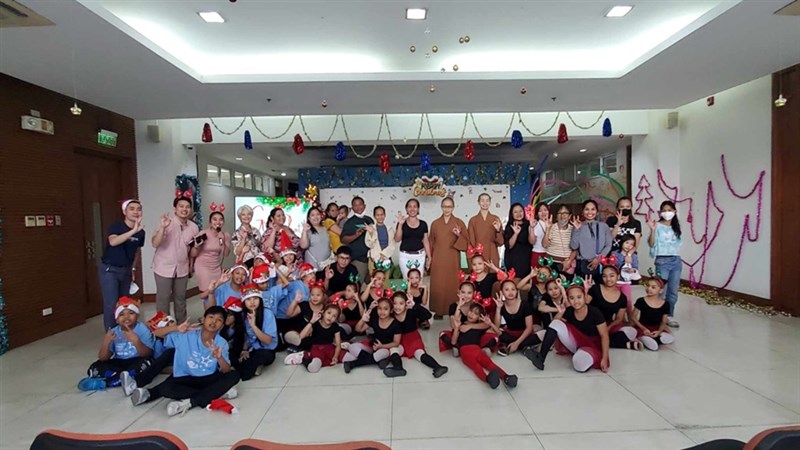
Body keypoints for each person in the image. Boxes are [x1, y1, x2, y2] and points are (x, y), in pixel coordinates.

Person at [130, 306, 241, 417]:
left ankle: (191, 402)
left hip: (208, 378)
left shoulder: (222, 343)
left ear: (222, 326)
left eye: (219, 320)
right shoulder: (185, 335)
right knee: (166, 389)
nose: (214, 322)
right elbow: (156, 333)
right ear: (203, 319)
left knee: (234, 375)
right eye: (211, 317)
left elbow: (226, 370)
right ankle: (214, 393)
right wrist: (177, 328)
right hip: (186, 378)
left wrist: (219, 357)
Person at [524, 283, 611, 373]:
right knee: (556, 323)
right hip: (576, 343)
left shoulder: (595, 312)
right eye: (572, 298)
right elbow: (553, 325)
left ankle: (583, 355)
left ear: (585, 297)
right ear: (568, 300)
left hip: (591, 346)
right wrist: (561, 312)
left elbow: (604, 336)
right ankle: (541, 358)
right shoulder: (569, 311)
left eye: (579, 297)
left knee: (579, 366)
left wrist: (604, 358)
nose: (576, 301)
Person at [151, 195, 199, 324]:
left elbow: (192, 250)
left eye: (187, 207)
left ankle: (182, 325)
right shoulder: (166, 223)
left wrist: (191, 265)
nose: (184, 209)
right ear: (175, 209)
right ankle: (163, 327)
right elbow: (155, 243)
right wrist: (163, 227)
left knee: (181, 298)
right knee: (163, 299)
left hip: (182, 268)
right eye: (181, 206)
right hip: (163, 267)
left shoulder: (194, 227)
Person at [87, 297, 154, 388]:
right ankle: (123, 377)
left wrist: (136, 341)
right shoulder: (114, 331)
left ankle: (110, 381)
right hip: (119, 362)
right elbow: (103, 358)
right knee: (95, 367)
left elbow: (147, 353)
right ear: (117, 319)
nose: (126, 317)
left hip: (136, 360)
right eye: (121, 314)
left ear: (137, 315)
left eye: (131, 313)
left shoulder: (142, 329)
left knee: (147, 363)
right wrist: (106, 342)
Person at [99, 199, 145, 330]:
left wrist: (133, 268)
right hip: (110, 270)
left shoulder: (141, 232)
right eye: (132, 209)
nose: (136, 212)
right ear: (125, 212)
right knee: (111, 304)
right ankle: (111, 335)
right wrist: (133, 231)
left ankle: (124, 332)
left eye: (138, 209)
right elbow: (113, 242)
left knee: (124, 304)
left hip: (126, 271)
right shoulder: (116, 226)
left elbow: (136, 250)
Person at [451, 303, 518, 389]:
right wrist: (457, 328)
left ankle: (506, 377)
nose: (471, 314)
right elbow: (453, 342)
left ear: (479, 317)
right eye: (471, 311)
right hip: (465, 351)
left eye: (475, 313)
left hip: (477, 349)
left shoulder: (480, 326)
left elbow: (495, 330)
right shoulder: (461, 325)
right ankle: (487, 379)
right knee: (476, 367)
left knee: (489, 363)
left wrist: (489, 323)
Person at [344, 297, 406, 377]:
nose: (382, 311)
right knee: (352, 347)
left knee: (382, 353)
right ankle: (376, 360)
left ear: (391, 310)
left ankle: (353, 364)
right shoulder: (375, 319)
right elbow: (358, 329)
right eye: (379, 308)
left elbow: (396, 343)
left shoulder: (396, 324)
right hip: (374, 347)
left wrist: (382, 346)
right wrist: (363, 319)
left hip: (387, 348)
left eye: (385, 309)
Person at [391, 292, 448, 378]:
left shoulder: (411, 311)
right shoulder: (391, 315)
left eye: (401, 303)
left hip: (413, 339)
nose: (397, 306)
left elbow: (428, 315)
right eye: (395, 303)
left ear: (406, 303)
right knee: (393, 350)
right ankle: (398, 368)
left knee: (419, 353)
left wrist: (415, 305)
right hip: (399, 340)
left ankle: (438, 367)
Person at [428, 197, 468, 317]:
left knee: (453, 283)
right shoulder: (435, 223)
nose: (447, 209)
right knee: (438, 283)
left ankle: (454, 310)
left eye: (449, 206)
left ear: (453, 207)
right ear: (441, 207)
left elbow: (466, 243)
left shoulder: (459, 223)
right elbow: (431, 242)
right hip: (438, 258)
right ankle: (439, 311)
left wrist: (459, 235)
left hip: (453, 258)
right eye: (445, 206)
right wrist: (429, 259)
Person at [587, 266, 641, 350]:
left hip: (607, 325)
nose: (608, 279)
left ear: (618, 276)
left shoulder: (622, 298)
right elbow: (583, 305)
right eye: (604, 276)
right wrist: (586, 290)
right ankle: (622, 344)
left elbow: (619, 319)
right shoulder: (595, 289)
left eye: (611, 276)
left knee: (632, 331)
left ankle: (603, 340)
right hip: (591, 324)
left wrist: (608, 328)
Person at [648, 201, 683, 328]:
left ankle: (668, 316)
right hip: (662, 261)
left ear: (674, 211)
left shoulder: (676, 227)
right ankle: (657, 316)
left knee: (673, 292)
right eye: (664, 210)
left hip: (676, 261)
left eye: (669, 210)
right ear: (660, 212)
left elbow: (678, 244)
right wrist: (652, 230)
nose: (667, 212)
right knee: (661, 291)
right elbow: (651, 244)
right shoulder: (657, 225)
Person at [485, 280, 542, 357]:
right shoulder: (501, 305)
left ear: (516, 291)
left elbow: (529, 328)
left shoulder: (525, 304)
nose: (510, 292)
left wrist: (516, 343)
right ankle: (524, 347)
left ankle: (516, 345)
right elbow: (497, 327)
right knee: (492, 332)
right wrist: (498, 308)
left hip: (525, 334)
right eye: (507, 290)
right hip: (510, 334)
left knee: (542, 334)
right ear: (502, 292)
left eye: (513, 289)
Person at [233, 284, 277, 380]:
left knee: (261, 356)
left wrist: (253, 325)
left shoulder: (267, 314)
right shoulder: (243, 315)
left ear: (260, 300)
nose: (252, 302)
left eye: (255, 298)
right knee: (236, 355)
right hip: (252, 348)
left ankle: (251, 367)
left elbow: (268, 341)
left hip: (266, 349)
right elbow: (246, 336)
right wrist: (244, 350)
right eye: (248, 299)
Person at [191, 208, 232, 298]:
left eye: (221, 219)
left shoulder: (225, 235)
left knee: (217, 291)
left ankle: (215, 307)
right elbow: (193, 254)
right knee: (207, 292)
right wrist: (196, 246)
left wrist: (222, 240)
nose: (218, 222)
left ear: (223, 222)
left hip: (216, 266)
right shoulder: (203, 233)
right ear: (210, 222)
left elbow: (226, 254)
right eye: (215, 219)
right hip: (202, 266)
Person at [569, 199, 612, 285]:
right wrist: (577, 230)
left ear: (597, 211)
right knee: (582, 289)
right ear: (583, 211)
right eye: (587, 209)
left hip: (600, 264)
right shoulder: (578, 226)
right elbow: (574, 246)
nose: (590, 212)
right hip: (582, 264)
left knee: (599, 289)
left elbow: (608, 245)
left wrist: (598, 259)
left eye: (593, 209)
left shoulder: (604, 226)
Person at [296, 303, 343, 373]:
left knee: (348, 357)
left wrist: (335, 356)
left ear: (336, 319)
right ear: (323, 313)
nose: (330, 317)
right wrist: (312, 321)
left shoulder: (335, 326)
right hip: (317, 349)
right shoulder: (316, 323)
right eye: (329, 313)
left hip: (329, 348)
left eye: (334, 316)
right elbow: (301, 336)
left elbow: (338, 345)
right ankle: (304, 358)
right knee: (313, 368)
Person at [632, 277, 675, 351]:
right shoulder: (641, 301)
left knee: (670, 338)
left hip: (656, 328)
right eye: (648, 286)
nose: (649, 289)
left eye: (653, 287)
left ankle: (656, 338)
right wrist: (643, 328)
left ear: (660, 290)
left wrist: (659, 331)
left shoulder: (665, 304)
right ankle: (645, 338)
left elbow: (663, 321)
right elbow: (633, 317)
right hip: (643, 328)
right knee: (654, 347)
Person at [340, 196, 374, 283]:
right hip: (358, 259)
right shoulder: (350, 222)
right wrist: (355, 235)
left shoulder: (369, 220)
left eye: (360, 204)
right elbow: (343, 239)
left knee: (370, 284)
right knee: (357, 283)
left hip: (371, 258)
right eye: (355, 205)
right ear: (352, 208)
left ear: (364, 206)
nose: (358, 207)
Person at [394, 199, 431, 279]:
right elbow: (397, 239)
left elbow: (425, 241)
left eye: (415, 206)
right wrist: (400, 224)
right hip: (405, 256)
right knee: (407, 280)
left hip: (420, 256)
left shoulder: (423, 224)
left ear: (418, 209)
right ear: (406, 209)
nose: (412, 209)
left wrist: (429, 257)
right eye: (410, 206)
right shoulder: (402, 223)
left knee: (418, 280)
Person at [467, 193, 504, 268]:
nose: (485, 203)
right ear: (478, 202)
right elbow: (471, 241)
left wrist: (498, 230)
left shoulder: (495, 219)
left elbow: (500, 242)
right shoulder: (473, 220)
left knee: (492, 273)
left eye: (487, 200)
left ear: (490, 202)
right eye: (482, 200)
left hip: (492, 252)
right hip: (478, 254)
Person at [543, 204, 576, 277]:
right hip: (550, 263)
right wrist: (548, 229)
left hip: (566, 264)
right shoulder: (551, 227)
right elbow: (545, 245)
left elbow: (576, 248)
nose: (562, 216)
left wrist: (569, 261)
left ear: (569, 216)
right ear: (556, 216)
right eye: (559, 213)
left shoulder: (573, 229)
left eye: (565, 213)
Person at [503, 203, 534, 279]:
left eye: (520, 211)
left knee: (526, 280)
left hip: (526, 258)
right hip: (513, 258)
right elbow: (509, 246)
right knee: (513, 280)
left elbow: (532, 242)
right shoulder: (509, 226)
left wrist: (532, 228)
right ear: (512, 214)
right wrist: (515, 233)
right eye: (515, 212)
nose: (519, 214)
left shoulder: (529, 224)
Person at [365, 206, 396, 273]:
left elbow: (392, 244)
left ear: (385, 215)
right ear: (374, 216)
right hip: (374, 258)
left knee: (385, 278)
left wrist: (383, 254)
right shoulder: (371, 228)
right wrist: (371, 233)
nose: (380, 217)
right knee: (374, 278)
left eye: (382, 215)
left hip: (386, 257)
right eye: (378, 215)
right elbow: (369, 245)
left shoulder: (390, 229)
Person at [530, 203, 551, 269]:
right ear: (537, 213)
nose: (543, 212)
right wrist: (532, 228)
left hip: (550, 254)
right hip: (538, 254)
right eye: (540, 211)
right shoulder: (535, 224)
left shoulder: (552, 224)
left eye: (545, 210)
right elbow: (532, 242)